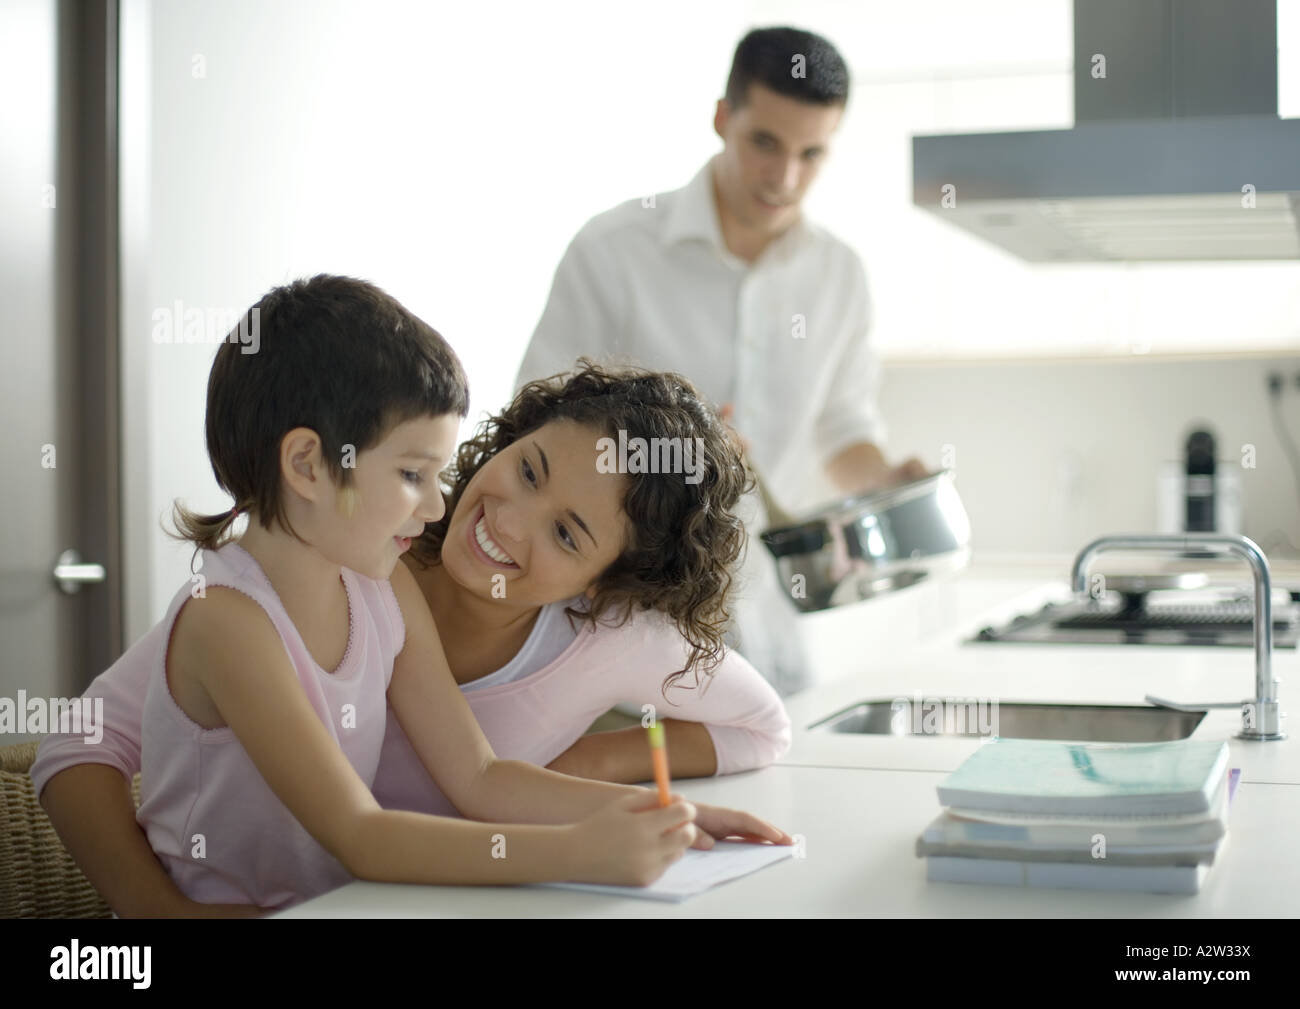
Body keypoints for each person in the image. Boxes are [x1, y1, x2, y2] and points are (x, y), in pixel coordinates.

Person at [31, 275, 791, 914]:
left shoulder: (381, 583)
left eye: (567, 534)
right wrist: (579, 851)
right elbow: (360, 832)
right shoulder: (231, 621)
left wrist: (659, 813)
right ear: (308, 465)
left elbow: (482, 777)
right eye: (411, 476)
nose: (438, 508)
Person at [515, 26, 927, 696]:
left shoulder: (839, 277)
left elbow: (841, 428)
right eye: (765, 143)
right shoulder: (614, 251)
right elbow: (537, 423)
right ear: (722, 118)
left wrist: (887, 478)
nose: (785, 177)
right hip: (622, 622)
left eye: (811, 154)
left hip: (768, 621)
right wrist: (672, 451)